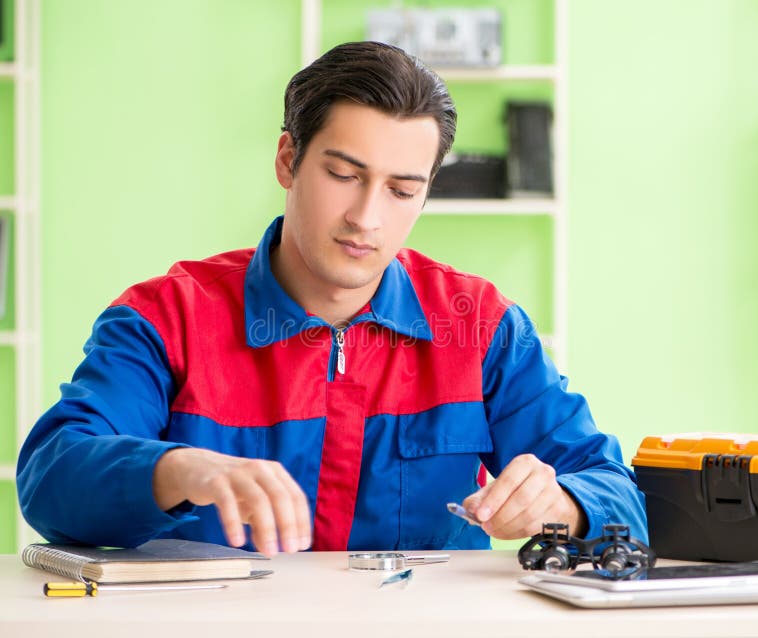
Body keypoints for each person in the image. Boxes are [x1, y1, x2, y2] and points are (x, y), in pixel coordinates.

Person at [17, 41, 647, 556]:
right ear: (289, 159)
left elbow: (619, 492)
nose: (367, 217)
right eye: (344, 176)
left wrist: (561, 503)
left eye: (402, 190)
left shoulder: (480, 327)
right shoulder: (165, 318)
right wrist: (183, 470)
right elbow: (52, 480)